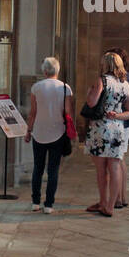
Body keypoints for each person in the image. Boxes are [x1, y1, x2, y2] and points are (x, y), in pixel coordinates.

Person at [81, 51, 129, 216]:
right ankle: (110, 206)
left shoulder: (102, 80)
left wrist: (91, 90)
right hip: (117, 129)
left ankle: (103, 202)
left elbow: (91, 102)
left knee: (101, 170)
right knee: (115, 167)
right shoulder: (124, 84)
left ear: (105, 64)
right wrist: (117, 115)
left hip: (100, 128)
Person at [24, 56, 73, 214]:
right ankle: (49, 204)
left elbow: (33, 112)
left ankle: (35, 202)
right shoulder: (65, 88)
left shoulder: (36, 87)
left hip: (39, 132)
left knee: (37, 168)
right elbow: (67, 112)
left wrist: (28, 131)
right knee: (53, 170)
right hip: (58, 132)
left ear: (44, 71)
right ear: (57, 71)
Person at [106, 46, 129, 207]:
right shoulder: (127, 77)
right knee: (120, 159)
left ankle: (117, 198)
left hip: (118, 121)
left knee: (116, 160)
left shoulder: (121, 78)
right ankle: (121, 197)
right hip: (124, 121)